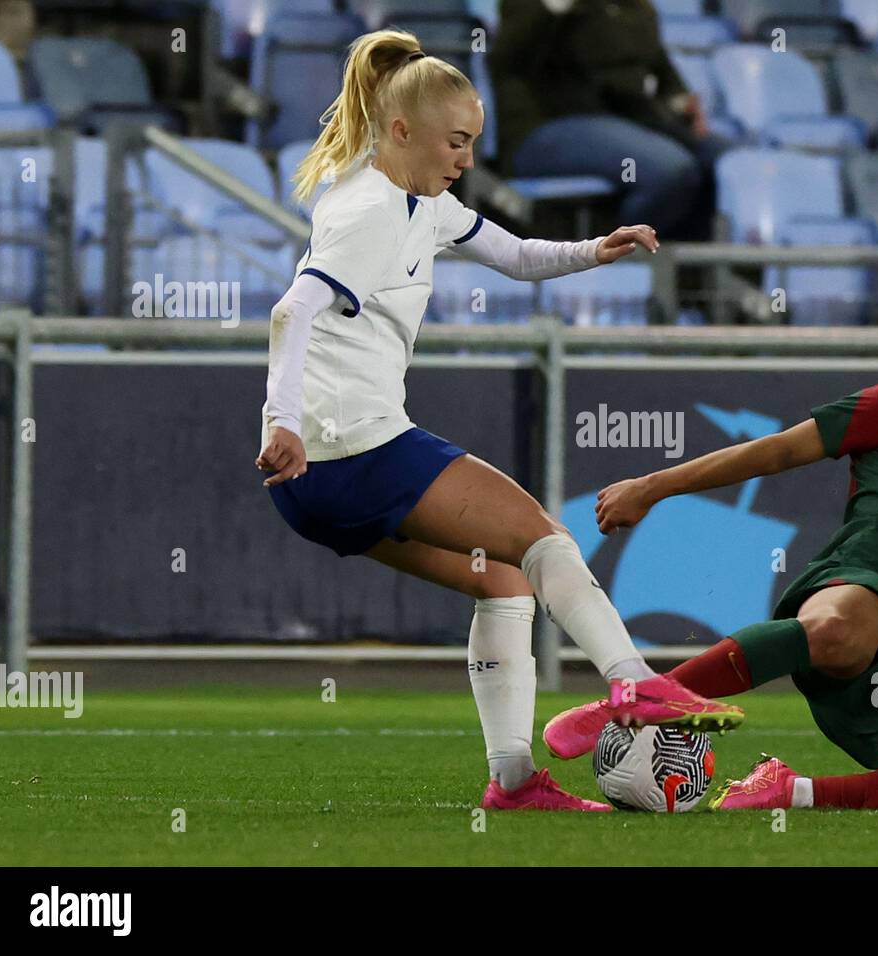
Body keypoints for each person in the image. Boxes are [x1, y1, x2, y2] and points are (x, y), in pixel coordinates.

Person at [253, 29, 743, 812]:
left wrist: (596, 250)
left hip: (319, 476)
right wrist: (282, 422)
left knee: (505, 579)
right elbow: (291, 310)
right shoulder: (370, 210)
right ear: (403, 130)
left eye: (474, 143)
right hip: (348, 450)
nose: (468, 159)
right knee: (546, 537)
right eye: (457, 141)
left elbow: (517, 257)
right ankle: (635, 684)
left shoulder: (426, 204)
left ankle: (513, 783)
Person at [543, 177, 878, 811]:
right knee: (843, 627)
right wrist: (654, 486)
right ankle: (647, 696)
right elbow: (773, 451)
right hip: (852, 600)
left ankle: (785, 792)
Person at [489, 0, 728, 240]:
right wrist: (552, 9)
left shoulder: (634, 8)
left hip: (629, 123)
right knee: (672, 171)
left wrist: (681, 101)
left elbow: (658, 65)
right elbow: (506, 60)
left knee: (727, 162)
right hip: (546, 127)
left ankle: (692, 272)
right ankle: (604, 254)